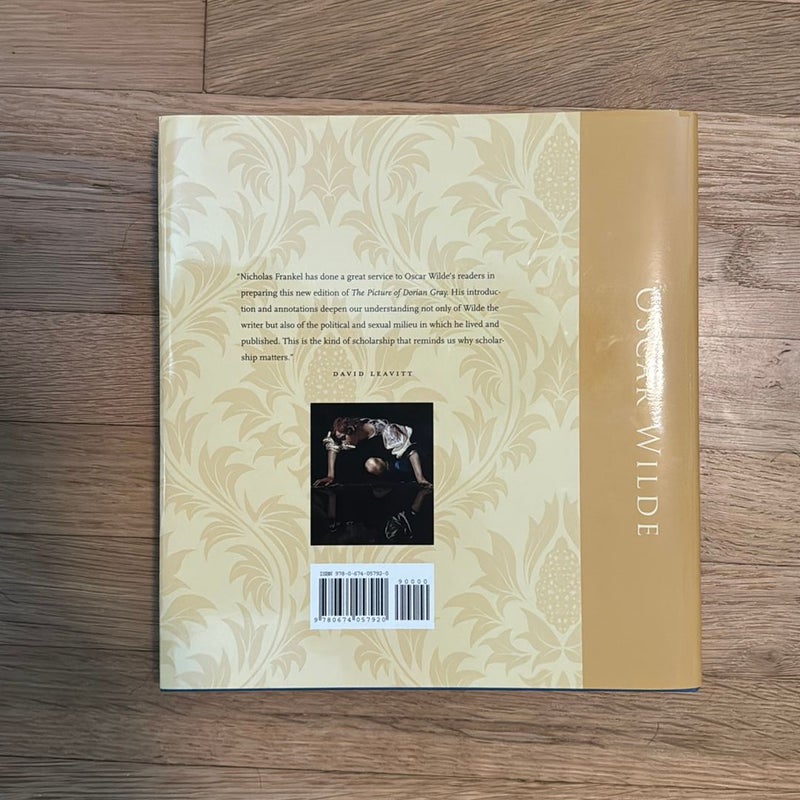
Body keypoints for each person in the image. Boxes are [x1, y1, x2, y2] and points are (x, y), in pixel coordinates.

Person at [313, 416, 432, 487]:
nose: (343, 442)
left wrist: (420, 478)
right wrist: (330, 476)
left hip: (399, 466)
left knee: (372, 464)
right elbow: (333, 447)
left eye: (344, 438)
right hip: (373, 478)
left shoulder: (386, 430)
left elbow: (411, 451)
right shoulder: (350, 430)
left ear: (353, 431)